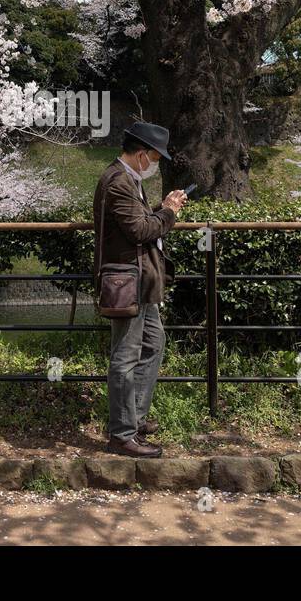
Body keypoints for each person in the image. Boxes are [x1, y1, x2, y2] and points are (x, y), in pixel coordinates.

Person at [93, 121, 187, 458]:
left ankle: (133, 419)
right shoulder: (118, 181)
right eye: (156, 157)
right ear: (143, 154)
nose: (156, 163)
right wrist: (169, 212)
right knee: (125, 356)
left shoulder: (128, 180)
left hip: (139, 280)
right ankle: (121, 434)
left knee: (153, 342)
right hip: (127, 281)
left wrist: (162, 207)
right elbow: (140, 229)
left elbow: (140, 221)